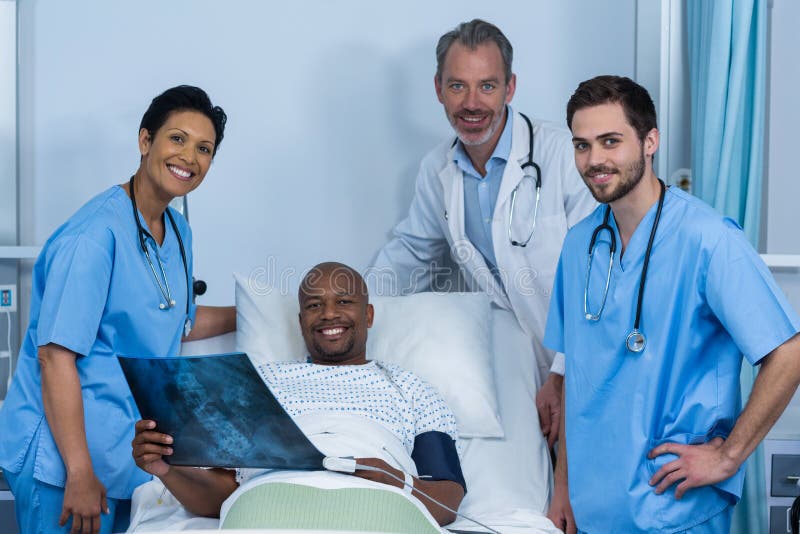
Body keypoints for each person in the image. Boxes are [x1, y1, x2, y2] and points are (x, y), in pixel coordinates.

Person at [544, 75, 800, 533]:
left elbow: (789, 352)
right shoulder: (579, 244)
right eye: (582, 145)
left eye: (610, 141)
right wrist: (563, 486)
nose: (595, 160)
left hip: (674, 509)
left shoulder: (708, 239)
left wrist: (728, 455)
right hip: (592, 508)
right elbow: (575, 382)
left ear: (649, 142)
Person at [0, 85, 237, 534]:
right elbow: (55, 357)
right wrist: (79, 473)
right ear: (145, 140)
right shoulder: (92, 239)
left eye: (204, 148)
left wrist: (256, 312)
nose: (189, 157)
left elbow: (172, 320)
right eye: (177, 139)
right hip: (64, 455)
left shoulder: (179, 232)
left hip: (122, 453)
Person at [369, 19, 596, 446]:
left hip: (589, 357)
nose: (472, 103)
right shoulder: (437, 170)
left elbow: (598, 274)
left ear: (510, 88)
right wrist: (354, 309)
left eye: (487, 86)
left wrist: (564, 374)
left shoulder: (563, 156)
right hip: (519, 367)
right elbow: (409, 254)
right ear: (438, 88)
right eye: (458, 86)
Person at [131, 262, 466, 529]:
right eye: (314, 305)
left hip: (382, 499)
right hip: (268, 502)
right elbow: (220, 498)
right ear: (301, 319)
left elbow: (448, 496)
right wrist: (166, 469)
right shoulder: (256, 383)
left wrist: (398, 482)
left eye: (344, 301)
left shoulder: (412, 389)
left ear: (368, 315)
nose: (329, 313)